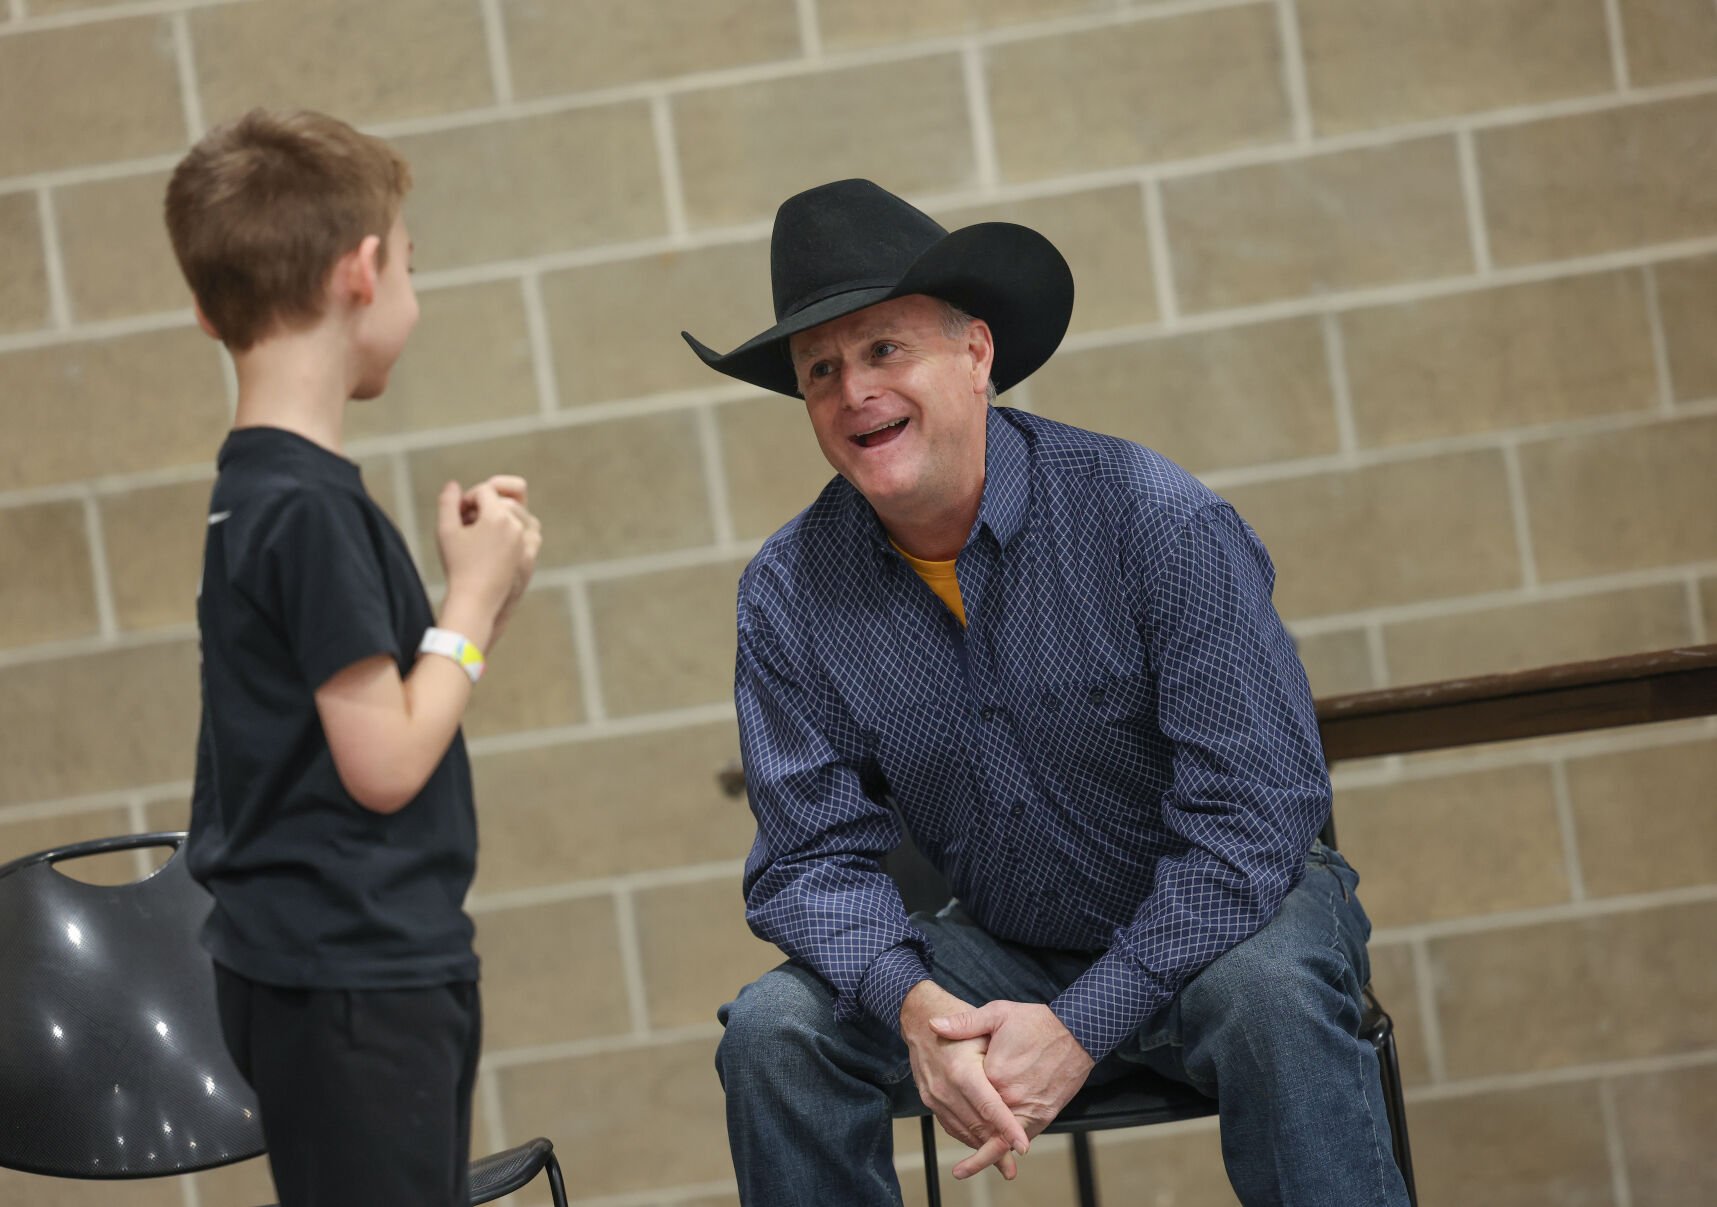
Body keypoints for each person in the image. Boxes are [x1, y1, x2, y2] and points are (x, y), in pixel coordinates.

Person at [682, 179, 1410, 1206]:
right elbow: (807, 861)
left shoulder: (1153, 521)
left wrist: (1083, 1023)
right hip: (1006, 949)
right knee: (774, 1034)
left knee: (1269, 996)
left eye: (885, 349)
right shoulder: (789, 591)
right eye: (821, 371)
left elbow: (1254, 819)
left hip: (1227, 922)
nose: (854, 393)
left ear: (976, 354)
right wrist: (916, 1008)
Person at [165, 109, 542, 1207]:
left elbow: (367, 713)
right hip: (354, 978)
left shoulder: (263, 489)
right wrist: (467, 596)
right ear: (363, 272)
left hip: (317, 969)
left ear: (203, 305)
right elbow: (383, 763)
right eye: (411, 267)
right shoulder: (309, 509)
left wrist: (481, 603)